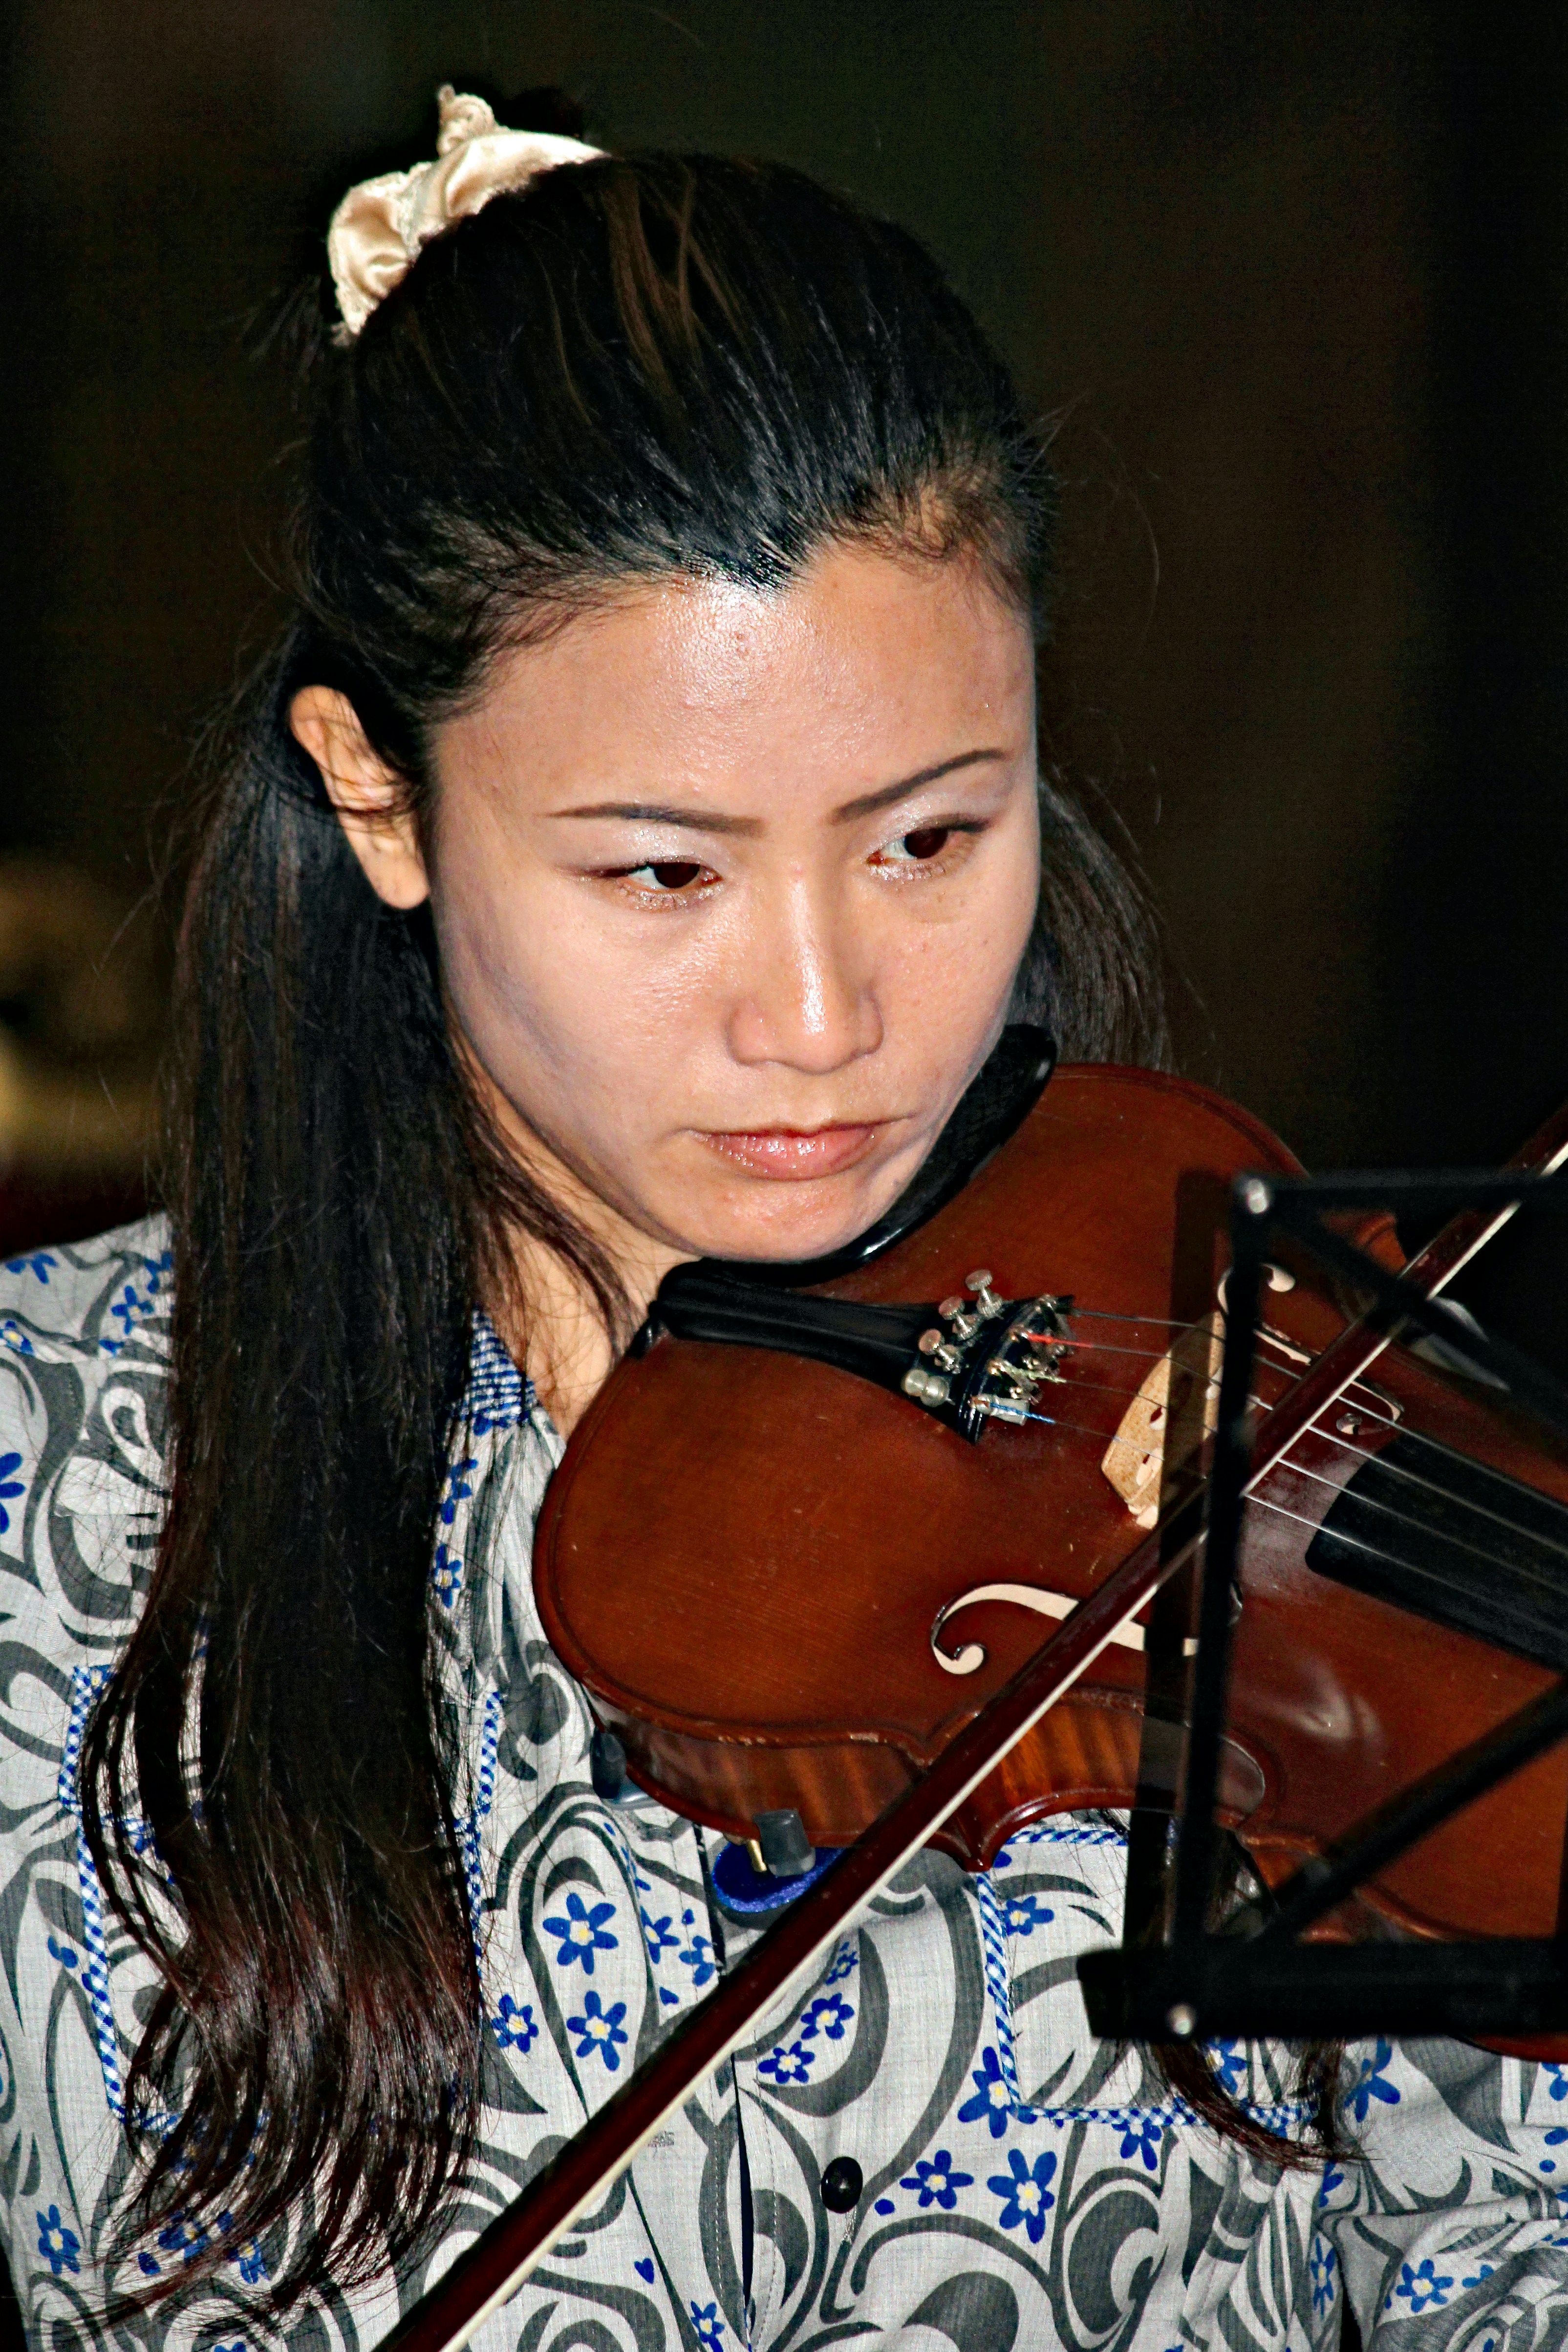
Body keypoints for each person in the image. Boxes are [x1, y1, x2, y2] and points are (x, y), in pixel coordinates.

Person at [0, 84, 1564, 2352]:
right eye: (663, 870)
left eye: (930, 838)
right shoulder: (44, 1475)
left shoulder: (1251, 1397)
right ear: (381, 797)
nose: (826, 1017)